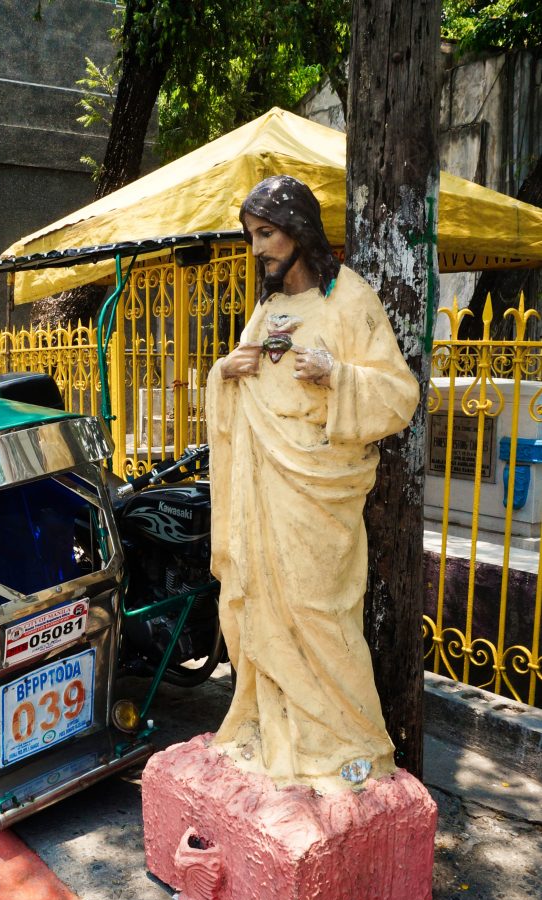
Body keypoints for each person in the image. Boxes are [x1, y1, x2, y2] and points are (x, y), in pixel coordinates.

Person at [206, 175, 420, 794]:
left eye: (266, 234)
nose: (257, 250)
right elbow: (240, 389)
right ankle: (287, 732)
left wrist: (338, 375)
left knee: (319, 611)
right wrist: (226, 371)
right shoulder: (269, 310)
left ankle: (356, 743)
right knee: (266, 611)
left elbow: (400, 394)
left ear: (299, 230)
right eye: (251, 236)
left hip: (321, 494)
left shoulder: (350, 300)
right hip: (266, 491)